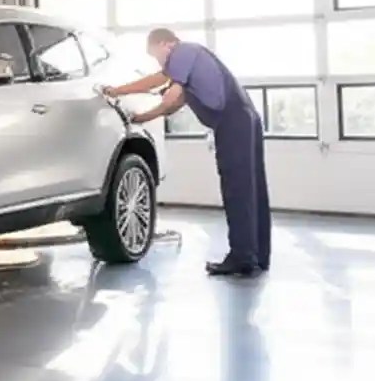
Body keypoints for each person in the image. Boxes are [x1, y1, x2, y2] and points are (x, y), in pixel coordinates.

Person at [103, 28, 270, 277]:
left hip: (233, 122)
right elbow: (173, 104)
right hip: (245, 119)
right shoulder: (191, 68)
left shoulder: (184, 52)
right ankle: (258, 255)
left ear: (166, 44)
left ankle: (242, 257)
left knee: (236, 189)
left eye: (156, 55)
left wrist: (116, 91)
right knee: (251, 189)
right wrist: (142, 117)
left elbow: (159, 83)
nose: (159, 62)